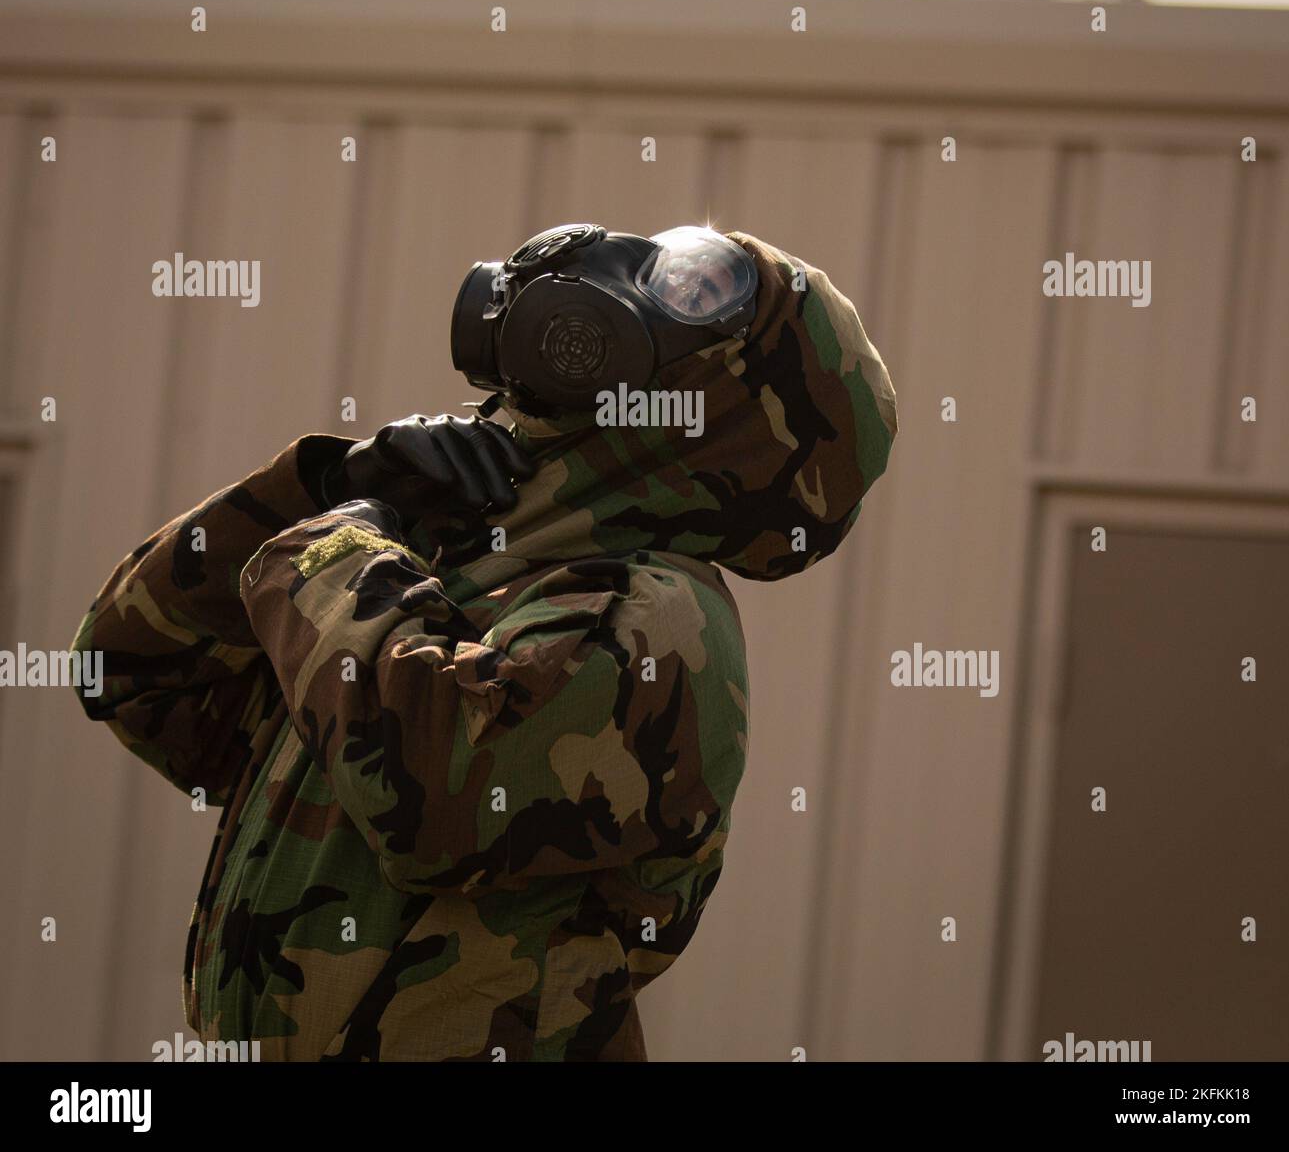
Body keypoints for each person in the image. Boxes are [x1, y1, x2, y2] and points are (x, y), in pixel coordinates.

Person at [70, 223, 897, 1061]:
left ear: (728, 407)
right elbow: (130, 668)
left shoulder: (654, 613)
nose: (609, 259)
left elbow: (433, 796)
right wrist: (328, 485)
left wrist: (329, 550)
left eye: (691, 291)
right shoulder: (425, 567)